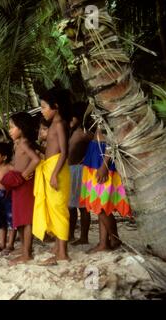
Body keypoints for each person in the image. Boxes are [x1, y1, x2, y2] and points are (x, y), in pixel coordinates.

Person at [33, 88, 72, 265]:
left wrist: (55, 174)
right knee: (54, 210)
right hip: (51, 168)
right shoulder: (54, 124)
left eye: (44, 107)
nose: (42, 111)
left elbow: (64, 153)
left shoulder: (59, 123)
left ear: (55, 106)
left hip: (57, 170)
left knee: (59, 211)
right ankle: (58, 248)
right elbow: (52, 150)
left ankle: (62, 254)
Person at [80, 128, 131, 253]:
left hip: (103, 158)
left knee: (101, 206)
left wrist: (105, 165)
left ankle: (114, 238)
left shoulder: (109, 109)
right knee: (101, 206)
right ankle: (104, 243)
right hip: (96, 155)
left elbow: (113, 139)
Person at [2, 112, 40, 265]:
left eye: (12, 127)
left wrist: (25, 174)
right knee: (20, 218)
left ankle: (27, 253)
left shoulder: (24, 143)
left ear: (22, 128)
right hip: (19, 183)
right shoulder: (18, 143)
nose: (10, 130)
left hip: (24, 184)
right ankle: (25, 249)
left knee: (26, 219)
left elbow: (36, 159)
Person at [67, 102, 94, 244]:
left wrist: (88, 159)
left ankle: (83, 237)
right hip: (70, 171)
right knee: (71, 206)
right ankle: (71, 234)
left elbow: (100, 143)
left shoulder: (83, 132)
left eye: (72, 118)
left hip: (79, 170)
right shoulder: (72, 132)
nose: (69, 120)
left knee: (82, 207)